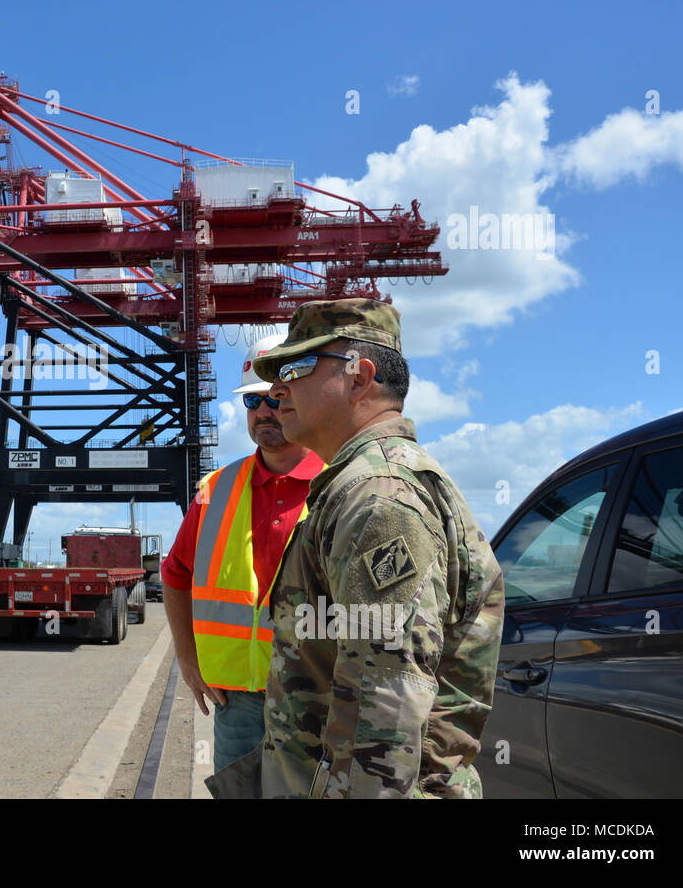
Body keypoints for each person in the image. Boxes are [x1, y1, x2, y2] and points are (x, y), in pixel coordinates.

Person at [250, 298, 504, 798]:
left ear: (360, 378)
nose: (276, 391)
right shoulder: (357, 486)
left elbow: (383, 701)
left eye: (296, 368)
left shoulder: (379, 497)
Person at [161, 335, 324, 783]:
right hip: (238, 698)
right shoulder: (215, 489)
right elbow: (175, 572)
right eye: (254, 400)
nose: (264, 411)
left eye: (276, 398)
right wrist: (187, 658)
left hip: (317, 694)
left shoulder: (339, 486)